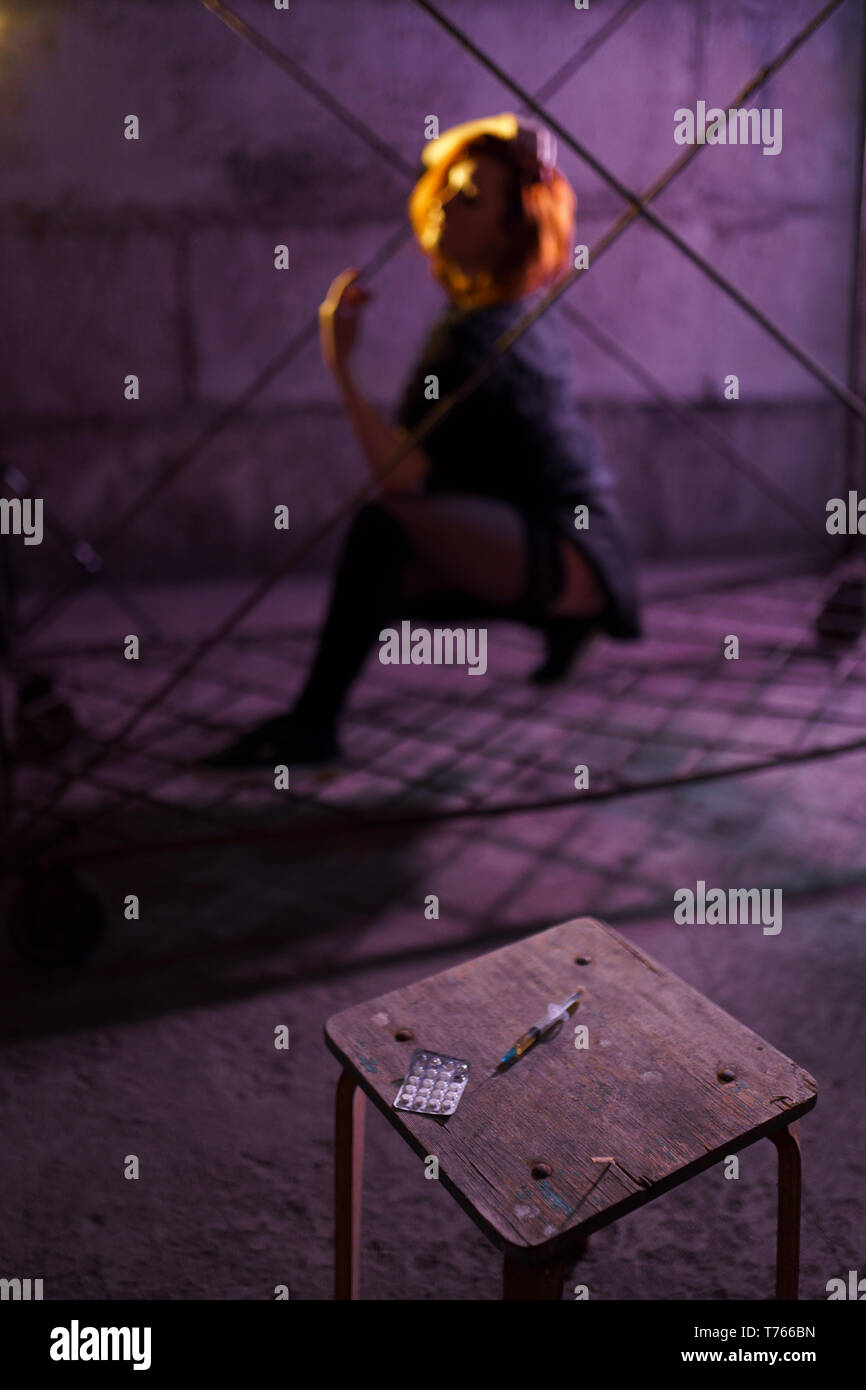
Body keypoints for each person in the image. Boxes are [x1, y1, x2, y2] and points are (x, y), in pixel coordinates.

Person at [203, 113, 641, 768]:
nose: (440, 204)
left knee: (383, 529)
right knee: (390, 579)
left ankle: (314, 725)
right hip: (584, 551)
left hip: (567, 553)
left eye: (467, 198)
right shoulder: (509, 312)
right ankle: (560, 624)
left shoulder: (474, 336)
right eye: (443, 188)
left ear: (509, 228)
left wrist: (340, 365)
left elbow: (402, 481)